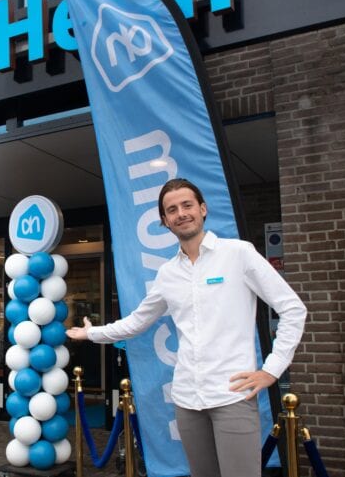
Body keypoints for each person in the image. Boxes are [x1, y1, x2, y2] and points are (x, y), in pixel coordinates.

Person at [66, 178, 307, 477]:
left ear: (203, 209)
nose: (181, 213)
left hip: (232, 396)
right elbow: (137, 321)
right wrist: (90, 333)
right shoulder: (168, 273)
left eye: (187, 205)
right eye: (172, 209)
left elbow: (293, 308)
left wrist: (272, 369)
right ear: (164, 221)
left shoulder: (238, 254)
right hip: (187, 400)